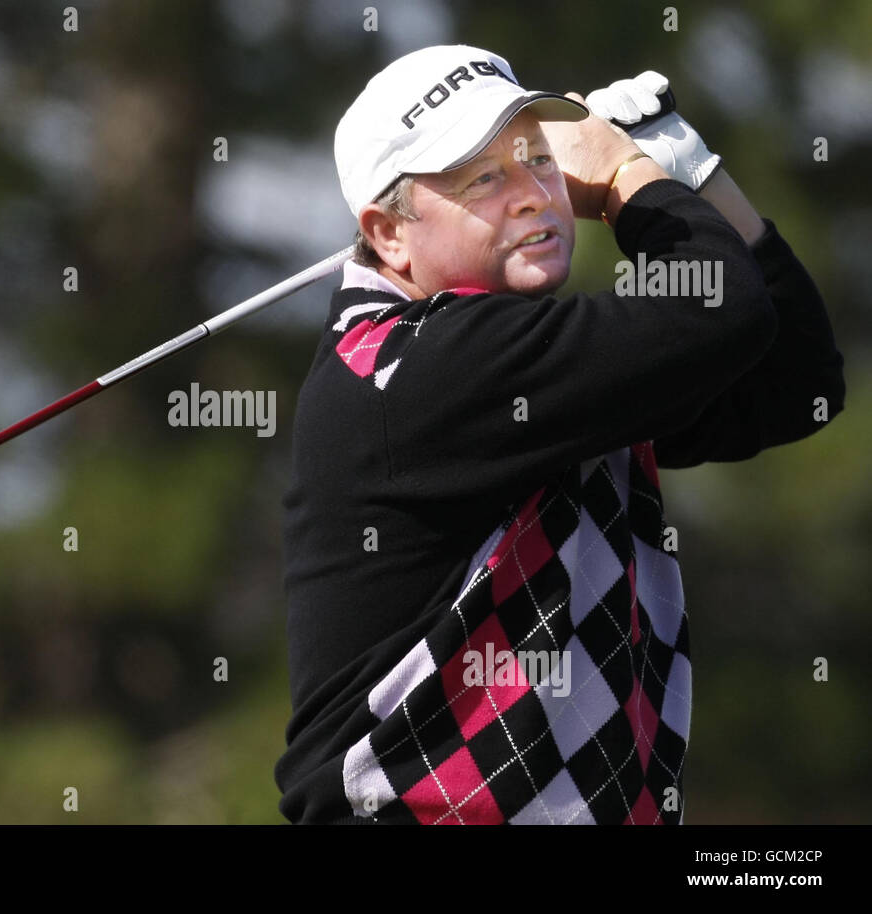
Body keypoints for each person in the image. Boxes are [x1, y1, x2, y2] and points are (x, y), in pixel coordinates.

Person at [276, 45, 845, 824]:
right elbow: (718, 310)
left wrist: (694, 173)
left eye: (538, 160)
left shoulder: (531, 364)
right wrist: (628, 178)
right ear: (389, 233)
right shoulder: (414, 364)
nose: (533, 196)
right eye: (484, 179)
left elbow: (794, 386)